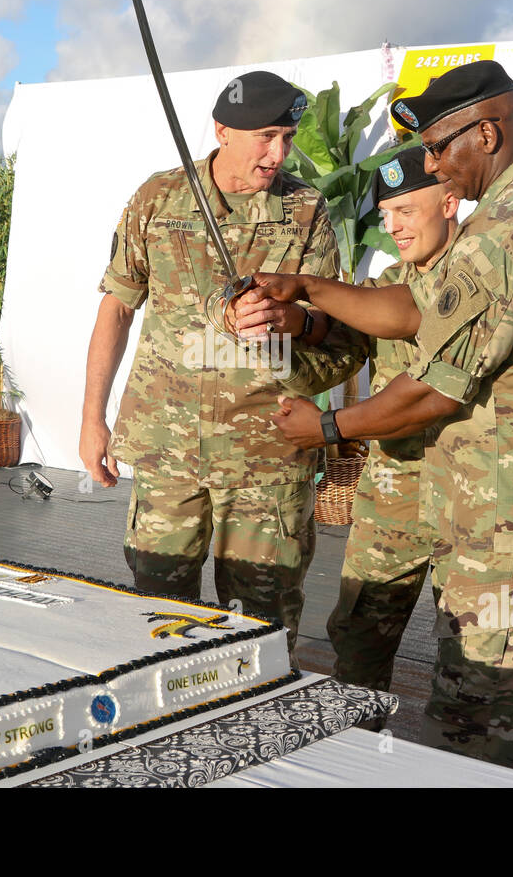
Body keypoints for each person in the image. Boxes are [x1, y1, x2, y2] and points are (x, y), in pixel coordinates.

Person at [235, 60, 513, 783]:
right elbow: (415, 315)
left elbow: (431, 392)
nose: (433, 165)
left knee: (478, 741)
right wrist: (309, 289)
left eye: (442, 146)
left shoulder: (512, 234)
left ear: (488, 131)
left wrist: (326, 430)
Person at [80, 70, 365, 655]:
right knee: (158, 610)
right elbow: (116, 309)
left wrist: (294, 321)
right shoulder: (158, 199)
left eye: (287, 136)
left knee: (262, 623)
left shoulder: (305, 209)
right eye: (265, 136)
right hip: (168, 449)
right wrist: (92, 418)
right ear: (221, 131)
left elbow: (335, 324)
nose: (278, 153)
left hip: (267, 451)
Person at [320, 146, 459, 694]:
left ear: (449, 202)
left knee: (477, 667)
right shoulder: (381, 288)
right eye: (386, 215)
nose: (393, 227)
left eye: (407, 211)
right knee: (356, 646)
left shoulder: (499, 276)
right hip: (391, 502)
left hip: (471, 505)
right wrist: (286, 324)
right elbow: (330, 349)